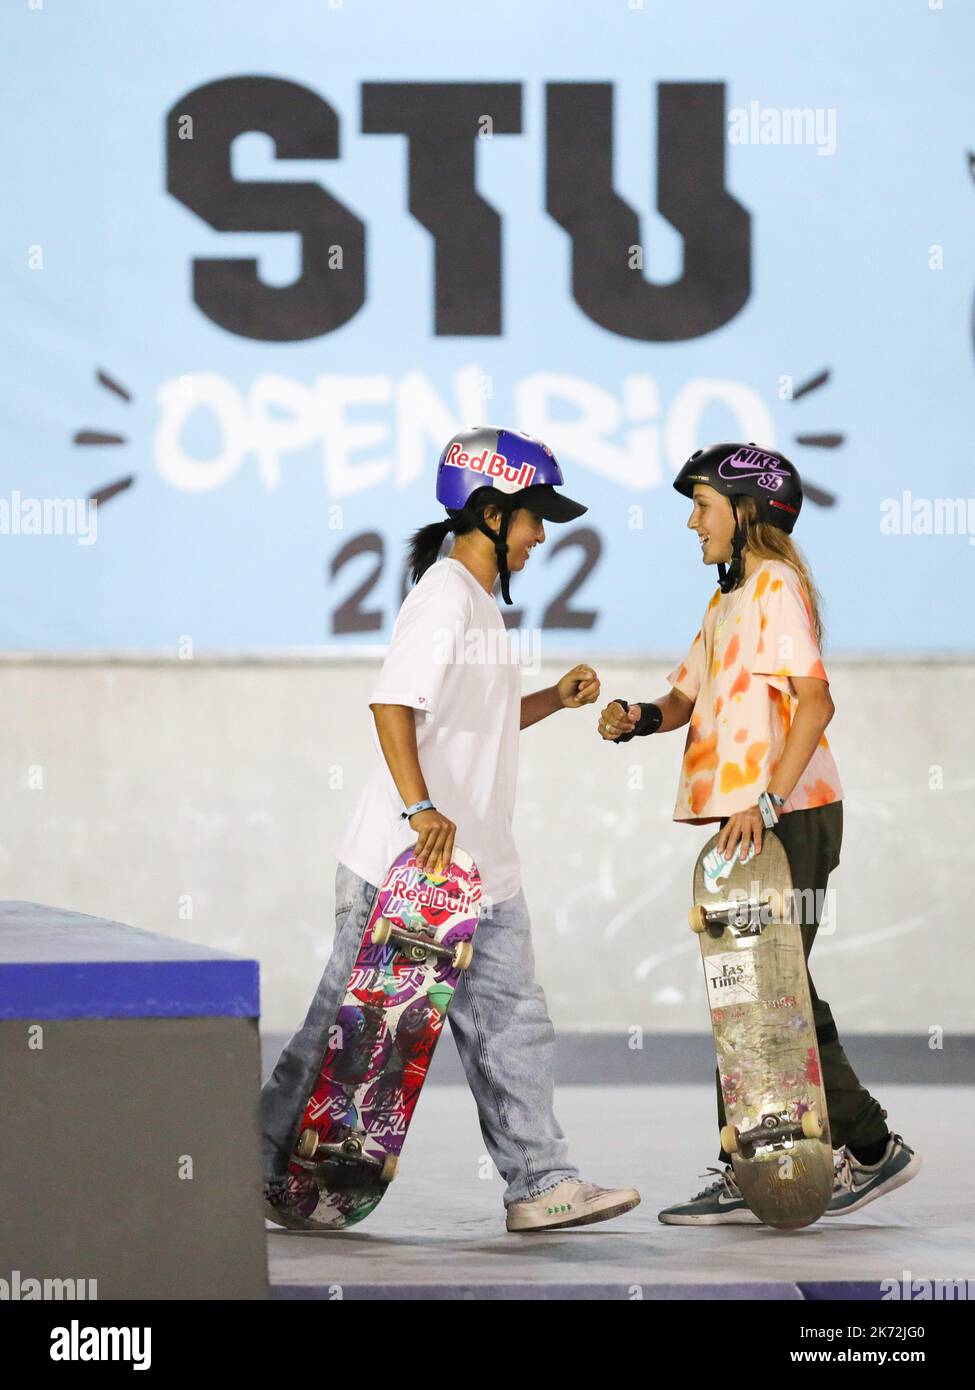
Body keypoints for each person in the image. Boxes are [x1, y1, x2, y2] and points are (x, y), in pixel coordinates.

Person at [263, 425, 640, 1233]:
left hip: (477, 871)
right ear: (491, 512)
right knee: (342, 1026)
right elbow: (391, 704)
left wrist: (553, 701)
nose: (542, 536)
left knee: (512, 1024)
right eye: (535, 517)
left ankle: (540, 1182)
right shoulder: (443, 597)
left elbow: (483, 723)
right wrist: (419, 809)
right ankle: (247, 1163)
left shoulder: (476, 604)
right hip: (408, 865)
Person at [598, 442, 920, 1225]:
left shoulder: (775, 586)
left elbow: (814, 703)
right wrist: (637, 719)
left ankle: (811, 1156)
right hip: (757, 821)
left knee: (759, 994)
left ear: (745, 513)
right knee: (764, 989)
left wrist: (768, 802)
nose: (689, 521)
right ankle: (858, 1150)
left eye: (702, 506)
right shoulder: (725, 601)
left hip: (792, 816)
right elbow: (683, 698)